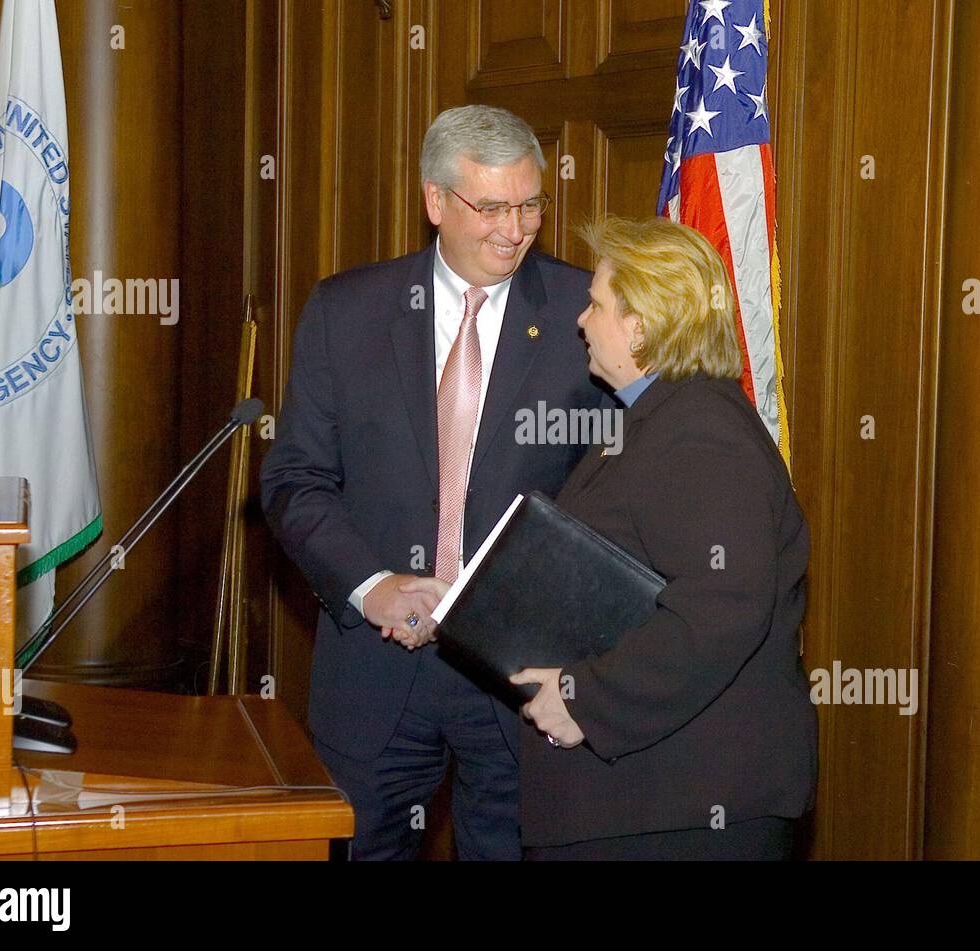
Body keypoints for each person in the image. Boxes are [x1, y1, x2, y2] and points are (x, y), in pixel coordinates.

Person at [260, 105, 610, 860]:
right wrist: (371, 584)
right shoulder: (346, 312)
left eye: (530, 205)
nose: (514, 230)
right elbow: (296, 479)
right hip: (376, 672)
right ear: (435, 201)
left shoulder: (589, 317)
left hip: (522, 682)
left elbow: (615, 495)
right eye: (491, 207)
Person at [510, 216, 817, 860]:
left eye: (597, 304)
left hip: (678, 814)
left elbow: (721, 607)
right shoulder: (659, 421)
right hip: (643, 807)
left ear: (642, 326)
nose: (581, 321)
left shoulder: (699, 432)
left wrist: (587, 700)